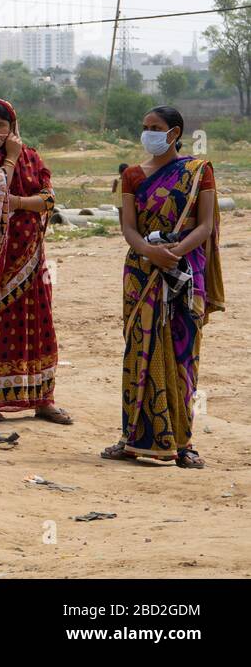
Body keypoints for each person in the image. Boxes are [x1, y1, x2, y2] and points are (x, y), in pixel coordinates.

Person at [103, 106, 222, 468]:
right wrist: (151, 253)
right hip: (142, 272)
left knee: (184, 355)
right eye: (144, 127)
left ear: (174, 133)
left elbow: (204, 225)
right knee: (139, 351)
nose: (148, 132)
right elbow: (129, 229)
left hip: (184, 274)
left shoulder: (199, 172)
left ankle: (183, 444)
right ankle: (133, 438)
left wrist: (174, 253)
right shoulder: (133, 176)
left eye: (155, 127)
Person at [0, 98, 71, 424]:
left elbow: (48, 199)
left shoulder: (32, 157)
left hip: (30, 255)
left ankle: (42, 398)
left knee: (36, 322)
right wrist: (9, 159)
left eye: (1, 124)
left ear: (13, 127)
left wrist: (20, 202)